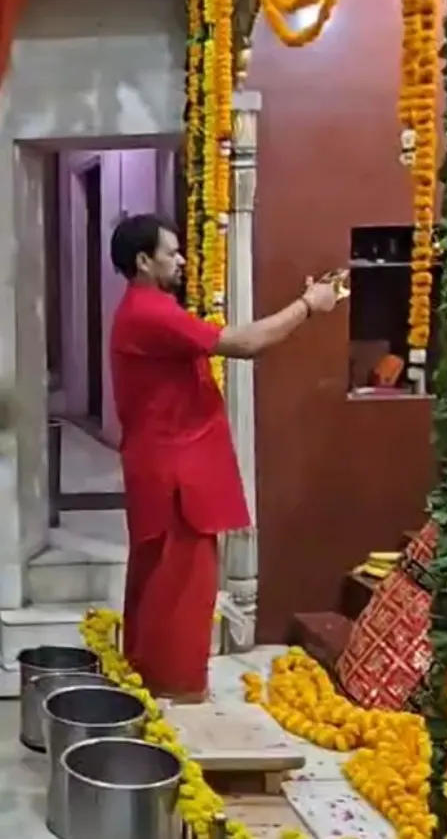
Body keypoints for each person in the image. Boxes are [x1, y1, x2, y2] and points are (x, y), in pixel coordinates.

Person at [108, 213, 342, 702]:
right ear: (143, 261)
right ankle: (176, 696)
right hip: (176, 476)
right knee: (181, 589)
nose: (182, 260)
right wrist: (307, 305)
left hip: (168, 467)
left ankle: (154, 684)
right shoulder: (150, 311)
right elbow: (246, 343)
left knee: (161, 585)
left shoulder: (146, 308)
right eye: (172, 252)